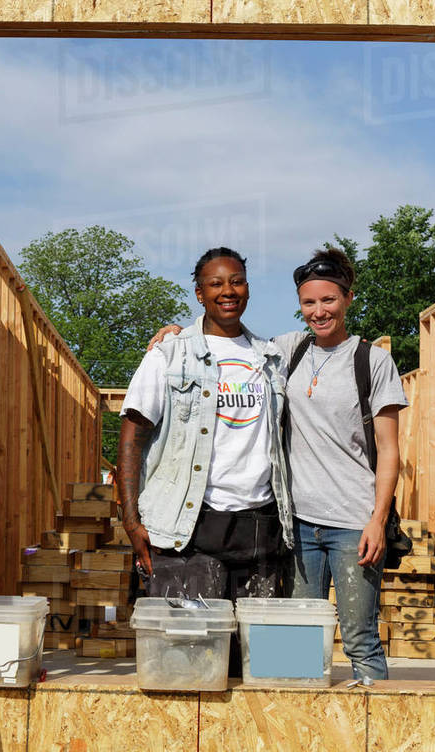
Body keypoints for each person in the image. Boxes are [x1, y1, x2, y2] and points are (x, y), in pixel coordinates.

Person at [148, 247, 407, 680]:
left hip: (352, 524)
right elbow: (230, 340)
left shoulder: (372, 362)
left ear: (347, 299)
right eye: (309, 303)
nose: (319, 311)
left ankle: (371, 729)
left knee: (360, 634)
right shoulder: (288, 351)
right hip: (298, 525)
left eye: (328, 300)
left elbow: (390, 450)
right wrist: (179, 334)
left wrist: (378, 520)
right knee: (296, 634)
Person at [116, 247, 292, 603]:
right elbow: (132, 438)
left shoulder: (271, 359)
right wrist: (131, 522)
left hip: (259, 527)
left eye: (237, 282)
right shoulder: (168, 355)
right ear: (200, 293)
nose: (228, 291)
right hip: (188, 529)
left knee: (258, 656)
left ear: (248, 289)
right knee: (189, 652)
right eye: (216, 284)